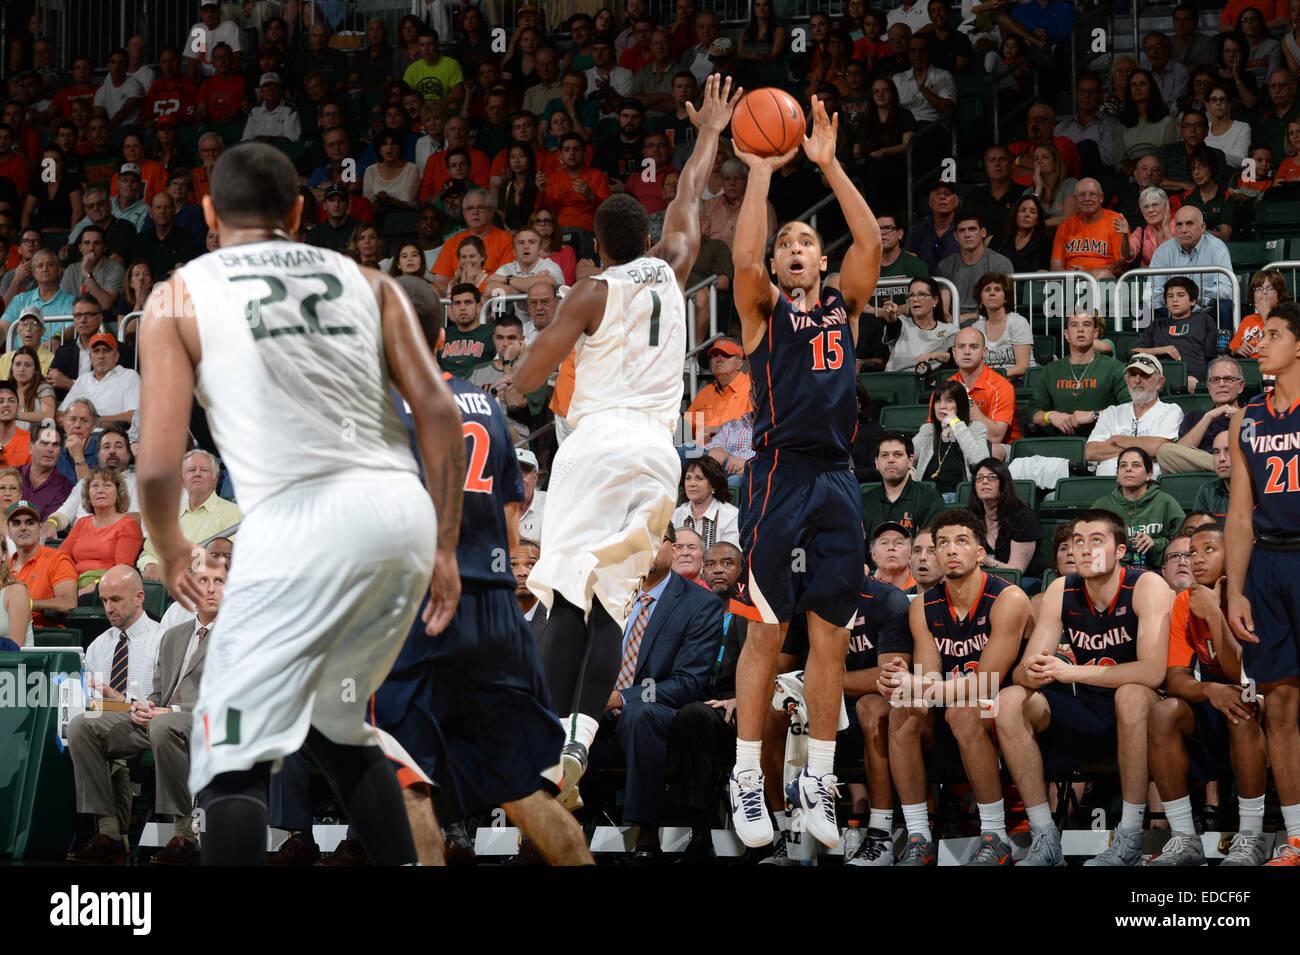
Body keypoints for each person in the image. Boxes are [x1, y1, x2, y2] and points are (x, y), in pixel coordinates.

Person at [136, 142, 465, 867]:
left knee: (230, 757)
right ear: (297, 213)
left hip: (301, 523)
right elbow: (439, 414)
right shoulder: (371, 281)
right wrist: (443, 543)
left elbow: (159, 466)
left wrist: (169, 546)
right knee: (337, 721)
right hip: (400, 514)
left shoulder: (178, 295)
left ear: (209, 213)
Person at [509, 74, 736, 813]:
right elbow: (688, 199)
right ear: (644, 238)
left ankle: (544, 738)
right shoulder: (673, 263)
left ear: (595, 246)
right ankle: (579, 736)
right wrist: (706, 133)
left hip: (596, 445)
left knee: (564, 595)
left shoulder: (591, 290)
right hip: (656, 452)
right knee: (613, 600)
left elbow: (530, 376)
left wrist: (511, 378)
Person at [720, 94, 883, 852]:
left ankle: (818, 779)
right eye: (787, 241)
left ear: (821, 262)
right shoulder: (762, 312)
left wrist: (827, 163)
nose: (792, 249)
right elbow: (743, 259)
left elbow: (871, 241)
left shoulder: (845, 306)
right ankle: (748, 777)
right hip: (778, 474)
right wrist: (758, 174)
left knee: (830, 638)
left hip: (838, 478)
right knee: (767, 631)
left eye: (804, 242)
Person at [994, 509, 1175, 866]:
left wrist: (1071, 672)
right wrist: (1033, 672)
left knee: (1131, 694)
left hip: (1145, 711)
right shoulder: (1062, 588)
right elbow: (1023, 670)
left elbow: (1152, 672)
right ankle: (1044, 837)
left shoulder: (1146, 584)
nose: (1085, 550)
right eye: (1078, 542)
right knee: (1009, 700)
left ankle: (1130, 838)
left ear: (1120, 550)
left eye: (1097, 541)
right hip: (1089, 707)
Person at [879, 507, 1032, 865]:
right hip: (949, 707)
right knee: (901, 709)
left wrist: (918, 684)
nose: (950, 550)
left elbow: (989, 682)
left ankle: (994, 835)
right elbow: (929, 676)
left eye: (961, 541)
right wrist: (902, 683)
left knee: (963, 712)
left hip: (1004, 710)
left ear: (980, 553)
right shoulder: (923, 605)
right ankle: (918, 836)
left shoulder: (1007, 598)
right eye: (942, 543)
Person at [1145, 522, 1269, 866]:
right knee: (1162, 712)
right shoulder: (1185, 600)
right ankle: (1184, 838)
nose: (1196, 559)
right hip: (1213, 697)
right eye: (1191, 553)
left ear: (1236, 554)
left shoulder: (1256, 594)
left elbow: (1243, 675)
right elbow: (1176, 679)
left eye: (1209, 550)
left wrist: (1215, 615)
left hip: (1263, 699)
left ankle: (1251, 837)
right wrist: (1209, 689)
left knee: (1242, 707)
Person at [1225, 298, 1300, 865]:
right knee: (1279, 707)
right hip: (1270, 564)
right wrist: (1235, 589)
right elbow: (1240, 515)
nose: (1261, 343)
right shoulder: (1245, 418)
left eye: (1272, 334)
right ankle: (1297, 837)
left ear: (1298, 345)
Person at [62, 564, 167, 864]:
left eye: (116, 600)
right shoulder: (98, 646)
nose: (109, 608)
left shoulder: (163, 639)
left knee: (98, 733)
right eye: (104, 600)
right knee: (83, 726)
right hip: (110, 727)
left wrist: (118, 698)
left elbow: (169, 701)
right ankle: (107, 830)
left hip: (151, 722)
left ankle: (111, 834)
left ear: (139, 597)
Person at [1093, 447, 1187, 569]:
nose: (1128, 469)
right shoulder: (1101, 507)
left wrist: (1155, 544)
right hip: (1113, 573)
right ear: (1117, 476)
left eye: (1136, 465)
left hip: (1156, 572)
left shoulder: (1165, 502)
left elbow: (1183, 542)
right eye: (1123, 465)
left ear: (1148, 474)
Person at [1146, 205, 1235, 330]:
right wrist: (1174, 300)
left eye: (1189, 224)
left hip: (1205, 311)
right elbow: (1151, 291)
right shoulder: (1163, 251)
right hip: (1172, 311)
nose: (1184, 230)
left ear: (1203, 227)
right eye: (1179, 225)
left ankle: (1224, 349)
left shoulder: (1217, 249)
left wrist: (1193, 296)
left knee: (1225, 306)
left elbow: (1226, 291)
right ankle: (1144, 349)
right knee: (1144, 308)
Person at [58, 465, 142, 594]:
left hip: (105, 589)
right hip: (73, 583)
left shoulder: (128, 525)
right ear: (88, 494)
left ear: (118, 493)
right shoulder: (82, 523)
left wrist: (89, 589)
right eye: (95, 486)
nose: (100, 491)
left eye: (107, 486)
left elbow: (121, 570)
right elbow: (61, 558)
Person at [1158, 356, 1247, 473]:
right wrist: (1208, 417)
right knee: (1164, 451)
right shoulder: (1194, 417)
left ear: (1240, 386)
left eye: (1228, 379)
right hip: (1205, 469)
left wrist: (1240, 418)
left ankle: (1229, 466)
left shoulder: (1251, 414)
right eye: (1215, 380)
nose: (1221, 384)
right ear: (1209, 388)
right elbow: (1177, 453)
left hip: (1242, 464)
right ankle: (1227, 467)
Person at [967, 457, 1046, 584]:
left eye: (992, 477)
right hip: (984, 581)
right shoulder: (970, 517)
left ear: (1003, 483)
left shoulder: (1023, 517)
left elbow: (1016, 571)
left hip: (1023, 582)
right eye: (979, 478)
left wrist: (987, 561)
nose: (984, 481)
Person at [1133, 275, 1219, 392]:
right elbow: (1134, 352)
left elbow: (1212, 354)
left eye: (1181, 295)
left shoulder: (1204, 320)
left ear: (1193, 301)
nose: (1174, 300)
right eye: (1170, 296)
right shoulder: (1158, 324)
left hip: (1192, 376)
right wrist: (1162, 350)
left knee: (1189, 382)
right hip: (1158, 375)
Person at [49, 422, 136, 535]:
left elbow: (136, 518)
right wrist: (51, 523)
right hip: (78, 543)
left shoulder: (137, 484)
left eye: (118, 446)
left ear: (129, 453)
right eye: (106, 447)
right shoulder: (85, 482)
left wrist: (98, 525)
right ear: (98, 454)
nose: (112, 451)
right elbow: (64, 513)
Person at [950, 326, 1021, 455]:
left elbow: (995, 436)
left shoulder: (1001, 386)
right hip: (959, 443)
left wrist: (967, 402)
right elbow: (936, 429)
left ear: (984, 352)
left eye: (973, 347)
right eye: (961, 347)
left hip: (1001, 448)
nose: (966, 352)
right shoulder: (947, 387)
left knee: (991, 449)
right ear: (954, 352)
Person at [57, 333, 140, 441]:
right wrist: (79, 426)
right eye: (96, 351)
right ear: (90, 357)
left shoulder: (129, 376)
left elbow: (133, 417)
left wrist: (96, 421)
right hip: (79, 438)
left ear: (116, 356)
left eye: (106, 350)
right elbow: (60, 415)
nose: (101, 356)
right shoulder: (82, 380)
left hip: (113, 439)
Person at [913, 379, 988, 499]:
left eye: (949, 401)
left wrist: (956, 424)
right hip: (926, 497)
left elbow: (981, 462)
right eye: (938, 401)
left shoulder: (976, 429)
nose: (942, 406)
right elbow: (906, 455)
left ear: (960, 404)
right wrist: (910, 471)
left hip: (957, 497)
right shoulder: (928, 430)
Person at [862, 430, 945, 538]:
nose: (890, 460)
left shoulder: (929, 498)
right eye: (885, 455)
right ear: (877, 463)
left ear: (910, 461)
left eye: (898, 454)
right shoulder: (864, 502)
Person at [8, 497, 76, 627]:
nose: (23, 528)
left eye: (30, 523)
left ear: (40, 529)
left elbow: (69, 603)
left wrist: (29, 604)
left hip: (44, 636)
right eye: (16, 523)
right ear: (9, 532)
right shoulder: (4, 568)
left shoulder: (58, 559)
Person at [935, 212, 1013, 320]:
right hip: (955, 325)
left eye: (972, 229)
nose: (967, 235)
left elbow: (1002, 305)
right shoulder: (945, 265)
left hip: (990, 321)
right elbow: (944, 309)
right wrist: (948, 319)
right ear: (956, 236)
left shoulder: (1000, 263)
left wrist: (968, 317)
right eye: (962, 230)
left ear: (983, 232)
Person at [1049, 179, 1127, 277]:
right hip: (1069, 280)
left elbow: (1121, 265)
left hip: (1102, 279)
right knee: (1040, 275)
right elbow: (1056, 266)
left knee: (1102, 274)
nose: (1087, 199)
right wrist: (1072, 276)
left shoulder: (1116, 221)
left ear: (1101, 198)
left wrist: (1087, 274)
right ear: (1075, 199)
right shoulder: (1065, 226)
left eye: (1092, 194)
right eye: (1082, 195)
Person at [881, 276, 956, 374]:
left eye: (921, 294)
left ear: (935, 300)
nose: (914, 299)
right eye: (911, 295)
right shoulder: (902, 323)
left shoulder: (949, 330)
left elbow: (955, 356)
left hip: (930, 384)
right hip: (896, 381)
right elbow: (893, 324)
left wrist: (934, 355)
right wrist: (890, 314)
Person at [684, 339, 751, 444]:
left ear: (739, 364)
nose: (719, 359)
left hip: (737, 450)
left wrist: (719, 430)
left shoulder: (751, 388)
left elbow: (757, 426)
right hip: (703, 452)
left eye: (726, 355)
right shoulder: (705, 392)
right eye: (715, 355)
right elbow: (686, 428)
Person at [970, 272, 1033, 380]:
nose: (992, 293)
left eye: (997, 289)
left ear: (1006, 298)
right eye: (987, 289)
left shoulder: (1018, 322)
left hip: (1019, 382)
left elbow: (1022, 367)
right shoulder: (976, 328)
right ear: (981, 298)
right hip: (987, 385)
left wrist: (991, 377)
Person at [672, 455, 739, 550]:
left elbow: (731, 555)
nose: (692, 484)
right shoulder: (675, 515)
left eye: (699, 478)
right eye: (688, 478)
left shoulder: (731, 516)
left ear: (713, 485)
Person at [18, 424, 73, 521]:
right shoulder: (12, 475)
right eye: (44, 443)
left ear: (60, 451)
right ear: (30, 448)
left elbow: (46, 528)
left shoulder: (65, 487)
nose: (50, 449)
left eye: (55, 445)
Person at [438, 282, 492, 378]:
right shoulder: (441, 335)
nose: (462, 308)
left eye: (468, 302)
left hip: (478, 388)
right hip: (447, 388)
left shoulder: (491, 334)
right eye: (457, 303)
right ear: (451, 308)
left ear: (478, 307)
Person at [1231, 267, 1288, 358]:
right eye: (1259, 288)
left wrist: (1266, 314)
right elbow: (1233, 349)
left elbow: (1284, 349)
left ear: (1279, 296)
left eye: (1270, 288)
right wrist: (1238, 350)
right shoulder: (1248, 320)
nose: (1264, 292)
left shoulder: (1287, 317)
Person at [1117, 186, 1173, 270]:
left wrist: (1166, 229)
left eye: (1155, 205)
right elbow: (1128, 255)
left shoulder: (1179, 225)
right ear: (1142, 212)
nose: (1150, 210)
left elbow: (1181, 256)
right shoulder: (1141, 231)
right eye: (1146, 207)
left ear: (1166, 207)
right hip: (1148, 279)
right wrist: (1125, 236)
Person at [993, 194, 1052, 273]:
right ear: (1015, 215)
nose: (1027, 215)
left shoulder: (1044, 243)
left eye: (1033, 212)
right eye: (1023, 210)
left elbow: (1040, 271)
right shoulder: (1001, 238)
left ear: (1037, 219)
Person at [9, 344, 55, 433]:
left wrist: (15, 415)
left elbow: (48, 416)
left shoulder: (43, 388)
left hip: (33, 442)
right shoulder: (6, 389)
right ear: (12, 367)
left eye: (27, 365)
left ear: (35, 369)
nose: (21, 369)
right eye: (17, 364)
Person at [1192, 429, 1234, 520]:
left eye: (1228, 451)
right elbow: (1198, 530)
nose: (1221, 458)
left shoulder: (1258, 490)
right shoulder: (1207, 491)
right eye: (1216, 452)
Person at [870, 521, 915, 591]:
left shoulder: (922, 587)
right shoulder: (865, 591)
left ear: (910, 553)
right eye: (884, 543)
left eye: (899, 543)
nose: (891, 547)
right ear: (873, 554)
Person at [0, 380, 30, 468]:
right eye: (0, 401)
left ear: (19, 408)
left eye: (11, 400)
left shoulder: (31, 442)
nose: (6, 405)